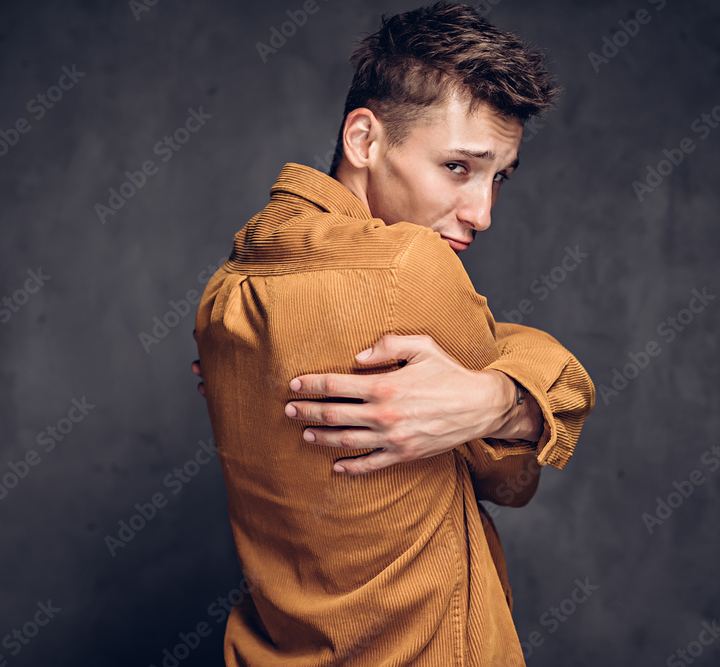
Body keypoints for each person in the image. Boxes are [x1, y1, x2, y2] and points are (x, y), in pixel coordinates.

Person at [191, 3, 595, 664]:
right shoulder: (413, 265)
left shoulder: (232, 285)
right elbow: (515, 475)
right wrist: (501, 399)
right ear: (364, 140)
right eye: (458, 168)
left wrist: (487, 388)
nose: (483, 211)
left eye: (499, 178)